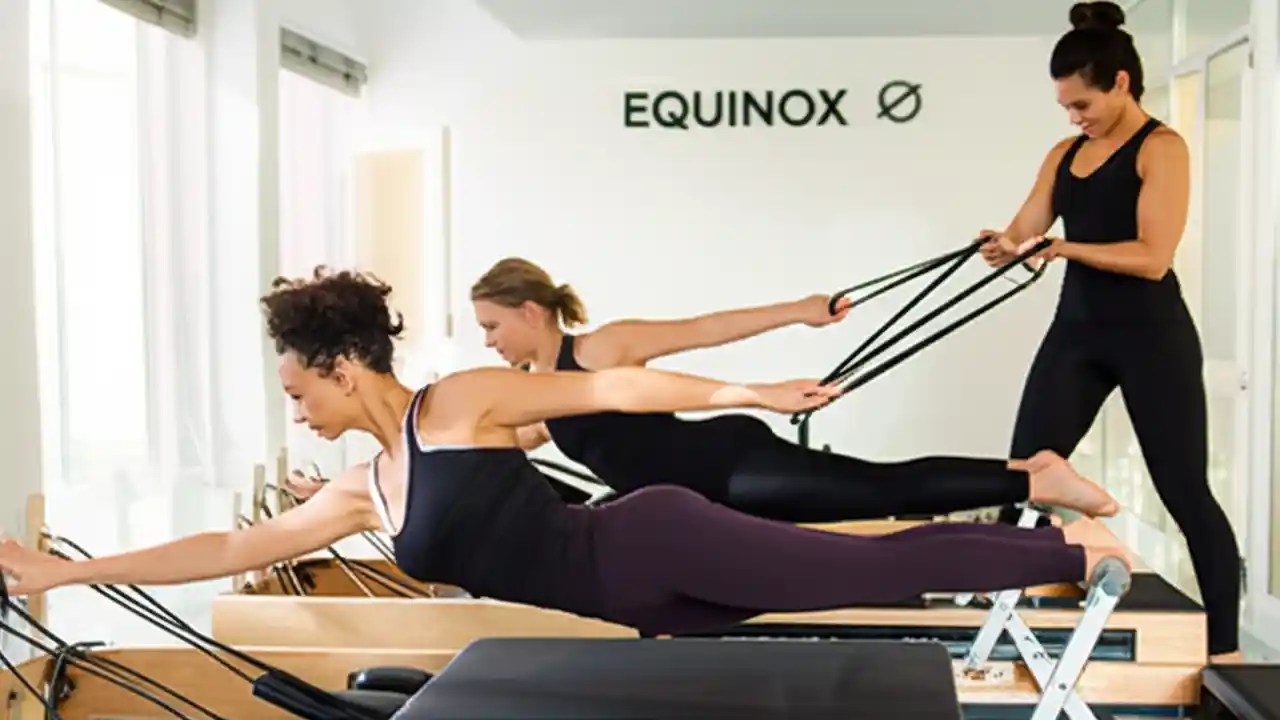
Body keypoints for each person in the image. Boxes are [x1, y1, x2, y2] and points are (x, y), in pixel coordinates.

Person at [0, 268, 1131, 639]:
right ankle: (1043, 540)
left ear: (342, 367)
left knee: (872, 570)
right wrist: (68, 575)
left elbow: (618, 382)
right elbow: (228, 542)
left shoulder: (458, 401)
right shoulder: (363, 489)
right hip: (645, 604)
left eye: (297, 389)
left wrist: (748, 384)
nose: (294, 411)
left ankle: (1077, 552)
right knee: (844, 602)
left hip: (657, 535)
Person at [977, 1, 1241, 661]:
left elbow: (1152, 259)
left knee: (1184, 490)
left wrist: (1062, 249)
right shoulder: (1064, 154)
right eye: (1066, 107)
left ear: (1121, 83)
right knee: (1023, 473)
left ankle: (1229, 650)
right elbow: (1023, 230)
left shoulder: (1162, 148)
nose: (1074, 117)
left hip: (1152, 336)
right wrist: (1001, 245)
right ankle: (991, 631)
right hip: (1079, 334)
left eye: (1083, 104)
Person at [468, 256, 1119, 523]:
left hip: (732, 469)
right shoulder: (538, 398)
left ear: (530, 311)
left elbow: (706, 328)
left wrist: (801, 311)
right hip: (701, 501)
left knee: (879, 491)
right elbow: (495, 444)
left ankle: (1036, 481)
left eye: (492, 325)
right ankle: (1025, 473)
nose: (489, 341)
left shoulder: (597, 349)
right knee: (875, 490)